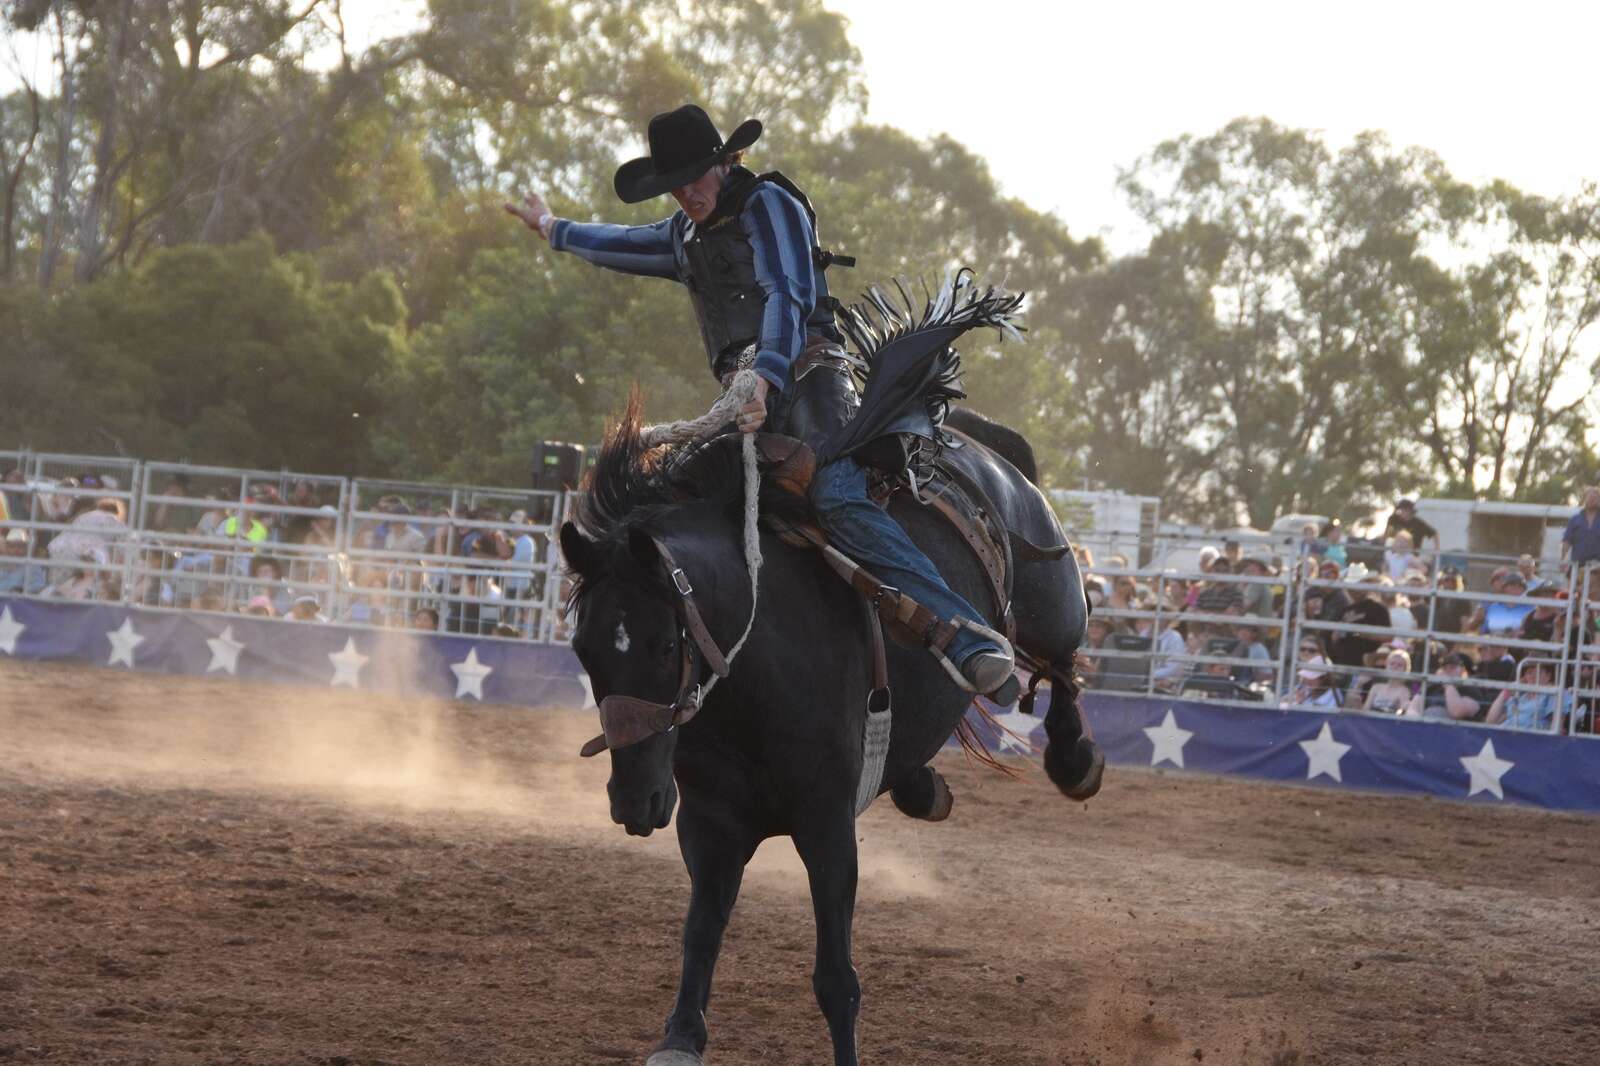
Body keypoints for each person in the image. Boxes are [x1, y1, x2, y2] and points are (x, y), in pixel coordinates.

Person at [508, 104, 1022, 697]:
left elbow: (788, 292)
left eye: (695, 178)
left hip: (808, 376)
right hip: (745, 393)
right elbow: (620, 244)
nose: (686, 194)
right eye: (674, 186)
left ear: (726, 163)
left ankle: (966, 635)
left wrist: (765, 376)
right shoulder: (684, 235)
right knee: (685, 506)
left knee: (834, 492)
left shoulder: (768, 205)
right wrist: (553, 229)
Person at [1485, 660, 1567, 732]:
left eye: (1538, 672)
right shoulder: (1518, 698)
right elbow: (1491, 722)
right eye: (1529, 672)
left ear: (1548, 676)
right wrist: (1505, 692)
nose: (1533, 676)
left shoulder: (1554, 694)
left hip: (1531, 741)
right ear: (1524, 677)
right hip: (1505, 738)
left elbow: (1557, 727)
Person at [1405, 651, 1487, 721]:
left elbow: (1457, 711)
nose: (1447, 671)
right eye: (1444, 668)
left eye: (1452, 667)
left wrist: (1448, 684)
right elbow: (1413, 708)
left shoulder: (1472, 690)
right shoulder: (1431, 687)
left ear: (1464, 671)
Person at [1362, 647, 1414, 714]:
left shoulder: (1404, 691)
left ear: (1405, 670)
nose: (1395, 667)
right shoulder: (1376, 687)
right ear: (1386, 666)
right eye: (1392, 664)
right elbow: (1365, 709)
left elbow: (1402, 712)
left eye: (1400, 665)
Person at [1563, 486, 1600, 568]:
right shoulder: (1574, 520)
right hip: (1577, 566)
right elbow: (1567, 541)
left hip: (1598, 568)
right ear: (1584, 499)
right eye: (1589, 497)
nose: (1591, 500)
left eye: (1594, 497)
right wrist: (1562, 560)